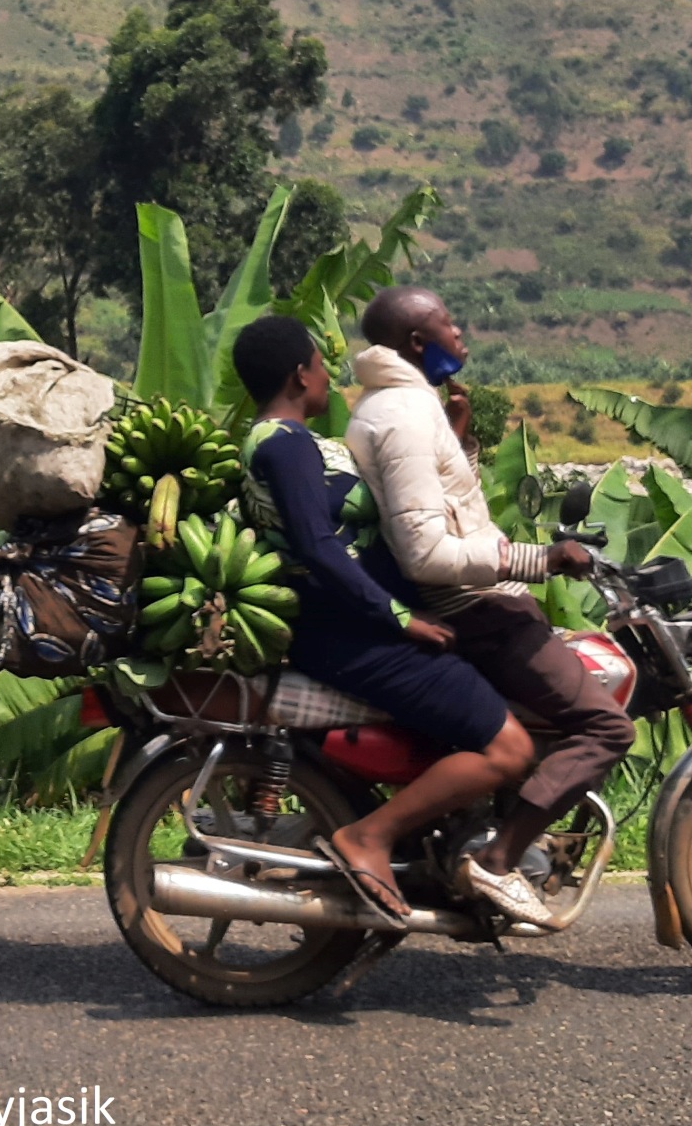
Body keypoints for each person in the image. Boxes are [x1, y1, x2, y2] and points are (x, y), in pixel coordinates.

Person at [346, 285, 636, 929]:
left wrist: (461, 445)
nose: (461, 333)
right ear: (417, 343)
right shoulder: (403, 416)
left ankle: (492, 834)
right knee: (609, 728)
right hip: (475, 608)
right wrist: (540, 560)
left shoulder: (404, 409)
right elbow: (425, 550)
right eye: (447, 323)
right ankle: (498, 862)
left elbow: (442, 504)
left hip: (475, 602)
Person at [231, 315, 535, 928]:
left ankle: (435, 847)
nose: (327, 379)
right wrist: (399, 619)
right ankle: (368, 838)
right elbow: (319, 547)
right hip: (353, 636)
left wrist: (448, 440)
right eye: (320, 366)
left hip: (354, 628)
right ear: (300, 373)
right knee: (509, 749)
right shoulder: (284, 444)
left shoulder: (282, 440)